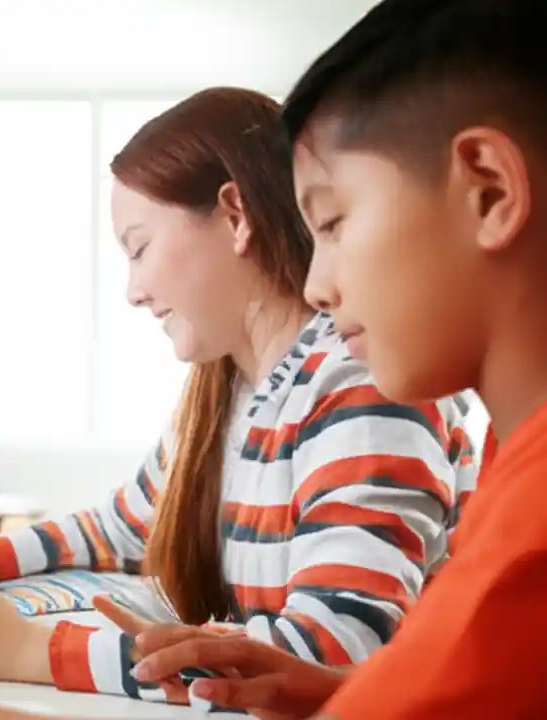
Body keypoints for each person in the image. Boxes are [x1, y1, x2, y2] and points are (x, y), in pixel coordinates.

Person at [0, 87, 478, 719]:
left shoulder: (357, 382)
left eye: (140, 246)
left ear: (235, 216)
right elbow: (121, 525)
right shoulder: (228, 391)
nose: (133, 289)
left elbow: (332, 651)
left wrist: (26, 647)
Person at [91, 1, 547, 718]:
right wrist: (341, 694)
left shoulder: (530, 535)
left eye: (332, 222)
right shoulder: (510, 469)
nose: (315, 284)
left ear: (487, 190)